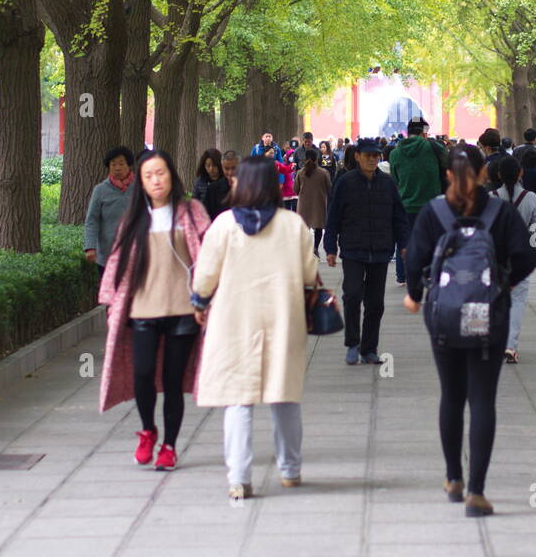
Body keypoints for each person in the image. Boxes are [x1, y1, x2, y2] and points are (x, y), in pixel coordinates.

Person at [403, 145, 536, 516]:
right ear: (483, 174)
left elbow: (414, 260)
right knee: (482, 398)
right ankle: (477, 491)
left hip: (444, 315)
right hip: (486, 314)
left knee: (451, 395)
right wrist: (504, 282)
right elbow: (526, 257)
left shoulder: (433, 212)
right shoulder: (501, 213)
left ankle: (453, 478)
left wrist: (415, 294)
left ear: (447, 174)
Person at [190, 156, 320, 500]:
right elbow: (310, 274)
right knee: (284, 395)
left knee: (238, 400)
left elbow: (206, 273)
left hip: (234, 322)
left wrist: (199, 303)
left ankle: (239, 478)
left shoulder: (224, 225)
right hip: (283, 321)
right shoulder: (293, 225)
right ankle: (290, 471)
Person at [98, 149, 212, 471]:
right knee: (143, 373)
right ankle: (147, 430)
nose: (156, 180)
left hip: (183, 311)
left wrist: (207, 298)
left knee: (173, 381)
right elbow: (117, 262)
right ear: (141, 182)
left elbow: (210, 255)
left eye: (161, 173)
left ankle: (169, 446)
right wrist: (111, 301)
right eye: (148, 175)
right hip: (142, 310)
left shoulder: (191, 212)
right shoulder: (134, 218)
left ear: (172, 175)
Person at [324, 137, 410, 365]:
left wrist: (405, 244)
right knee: (352, 295)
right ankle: (352, 343)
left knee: (375, 303)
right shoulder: (345, 182)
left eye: (376, 155)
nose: (373, 159)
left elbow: (399, 217)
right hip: (353, 249)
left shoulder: (388, 184)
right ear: (358, 157)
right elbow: (333, 216)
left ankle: (369, 348)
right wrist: (330, 247)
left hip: (381, 250)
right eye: (368, 155)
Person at [490, 153, 536, 363]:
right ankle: (510, 346)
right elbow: (535, 230)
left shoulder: (491, 197)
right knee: (518, 302)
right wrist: (533, 254)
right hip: (520, 258)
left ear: (499, 175)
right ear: (521, 173)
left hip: (495, 259)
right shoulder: (531, 198)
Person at [389, 115, 449, 286]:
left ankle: (402, 275)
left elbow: (395, 180)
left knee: (404, 241)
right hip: (432, 204)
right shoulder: (434, 147)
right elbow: (448, 167)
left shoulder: (395, 153)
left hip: (405, 204)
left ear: (407, 133)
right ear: (424, 132)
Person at [84, 145, 136, 268]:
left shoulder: (141, 188)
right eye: (113, 164)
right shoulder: (100, 190)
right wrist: (90, 247)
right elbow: (92, 220)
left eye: (121, 164)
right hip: (107, 255)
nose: (117, 168)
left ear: (129, 165)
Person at [295, 148, 333, 256]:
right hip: (319, 203)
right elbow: (329, 188)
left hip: (303, 204)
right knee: (318, 227)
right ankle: (315, 247)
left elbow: (295, 189)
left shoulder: (300, 173)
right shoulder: (323, 173)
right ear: (317, 159)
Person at [192, 148, 231, 220]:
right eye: (208, 165)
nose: (211, 169)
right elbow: (195, 202)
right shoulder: (200, 182)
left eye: (214, 165)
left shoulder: (226, 181)